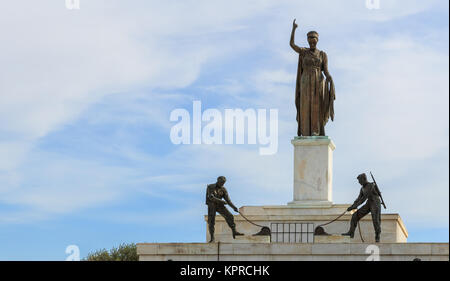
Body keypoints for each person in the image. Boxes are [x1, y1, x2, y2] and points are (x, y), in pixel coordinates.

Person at [290, 19, 335, 136]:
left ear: (317, 40)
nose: (311, 43)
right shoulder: (304, 52)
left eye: (313, 41)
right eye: (309, 41)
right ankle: (305, 131)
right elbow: (292, 45)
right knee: (305, 106)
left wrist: (329, 77)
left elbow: (326, 70)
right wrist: (294, 29)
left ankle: (316, 131)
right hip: (305, 81)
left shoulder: (322, 54)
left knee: (317, 106)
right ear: (308, 41)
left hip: (318, 82)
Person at [342, 173, 382, 242]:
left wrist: (354, 206)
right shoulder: (362, 188)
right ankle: (351, 233)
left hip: (375, 202)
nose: (359, 182)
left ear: (364, 179)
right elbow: (358, 199)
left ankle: (377, 234)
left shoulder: (371, 185)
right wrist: (352, 206)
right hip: (369, 202)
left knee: (375, 219)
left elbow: (364, 198)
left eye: (360, 181)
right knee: (355, 215)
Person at [206, 176, 243, 243]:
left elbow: (228, 200)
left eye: (223, 183)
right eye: (221, 182)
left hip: (220, 205)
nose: (222, 184)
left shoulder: (223, 189)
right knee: (211, 222)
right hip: (212, 205)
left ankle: (234, 231)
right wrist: (222, 201)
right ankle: (212, 238)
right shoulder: (211, 186)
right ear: (218, 181)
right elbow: (211, 197)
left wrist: (234, 207)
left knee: (230, 216)